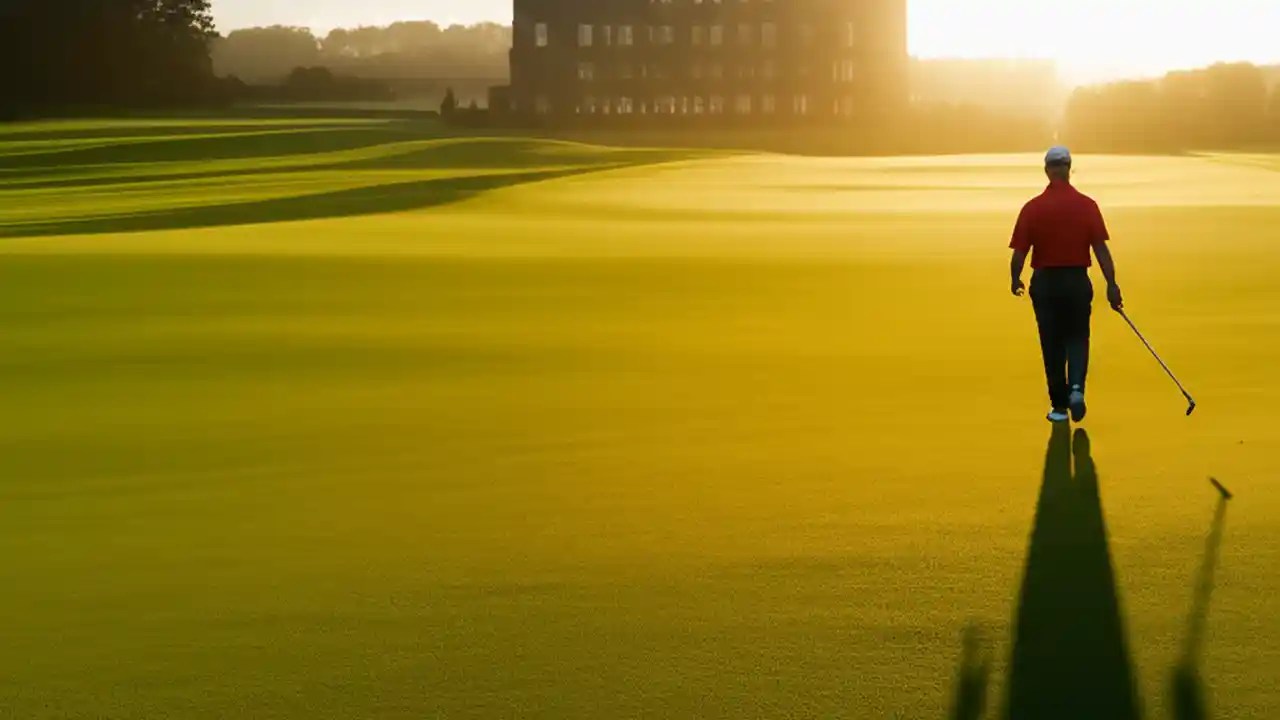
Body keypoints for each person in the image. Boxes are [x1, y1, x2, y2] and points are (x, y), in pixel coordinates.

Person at [1010, 146, 1123, 423]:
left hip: (1045, 283)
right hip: (1076, 281)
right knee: (1077, 338)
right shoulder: (1087, 205)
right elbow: (1101, 250)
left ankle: (1059, 407)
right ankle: (1076, 389)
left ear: (1047, 170)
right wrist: (1112, 284)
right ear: (1069, 168)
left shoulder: (1033, 207)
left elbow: (1019, 254)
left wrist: (1015, 279)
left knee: (1052, 343)